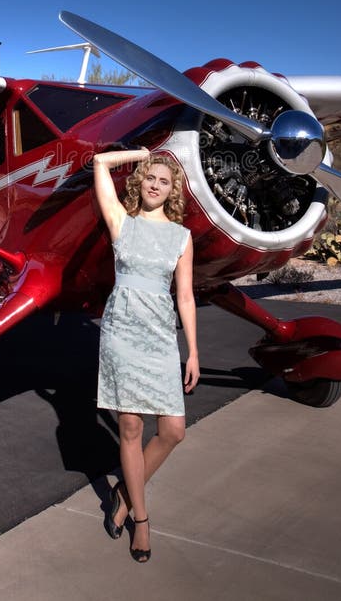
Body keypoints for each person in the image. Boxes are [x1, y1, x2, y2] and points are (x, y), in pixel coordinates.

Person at [93, 147, 200, 563]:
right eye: (150, 177)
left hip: (158, 336)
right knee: (132, 428)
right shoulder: (122, 221)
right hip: (121, 333)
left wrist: (192, 351)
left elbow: (186, 296)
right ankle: (140, 518)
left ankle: (122, 493)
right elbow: (100, 163)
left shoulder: (181, 236)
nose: (156, 185)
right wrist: (145, 153)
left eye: (165, 180)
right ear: (141, 181)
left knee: (173, 430)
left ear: (173, 191)